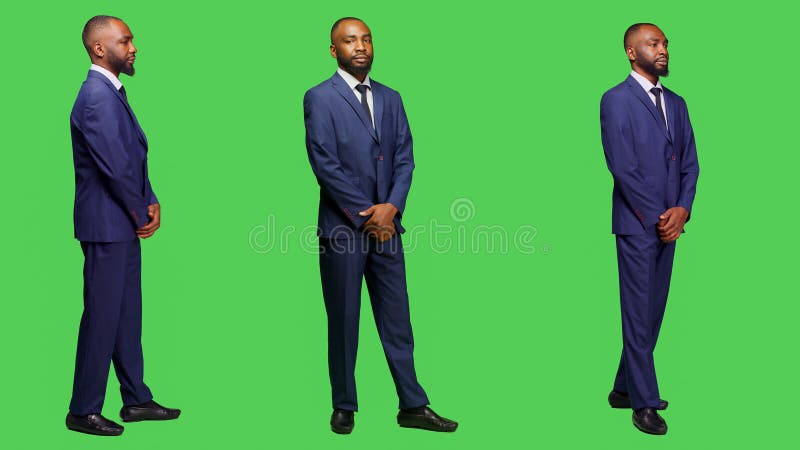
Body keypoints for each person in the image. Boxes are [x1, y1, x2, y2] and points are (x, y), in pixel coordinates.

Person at [303, 17, 458, 434]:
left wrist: (391, 208)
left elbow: (406, 157)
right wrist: (368, 213)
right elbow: (324, 163)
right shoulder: (319, 97)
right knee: (344, 319)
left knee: (397, 320)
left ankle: (412, 404)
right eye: (349, 40)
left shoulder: (392, 98)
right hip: (343, 230)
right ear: (333, 50)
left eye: (366, 39)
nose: (360, 46)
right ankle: (344, 404)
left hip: (389, 229)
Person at [67, 15, 180, 436]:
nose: (133, 47)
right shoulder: (96, 96)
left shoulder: (111, 92)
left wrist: (148, 199)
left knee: (127, 314)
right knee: (102, 316)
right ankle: (82, 409)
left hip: (122, 223)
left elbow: (132, 157)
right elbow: (113, 167)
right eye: (125, 40)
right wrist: (140, 210)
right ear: (100, 49)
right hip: (106, 225)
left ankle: (135, 399)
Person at [600, 23, 700, 435]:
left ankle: (625, 387)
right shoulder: (615, 100)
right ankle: (642, 401)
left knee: (653, 311)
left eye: (665, 44)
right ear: (630, 51)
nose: (663, 50)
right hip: (638, 224)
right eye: (653, 44)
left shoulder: (676, 103)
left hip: (670, 224)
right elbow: (622, 165)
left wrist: (682, 211)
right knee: (638, 313)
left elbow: (691, 162)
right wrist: (659, 216)